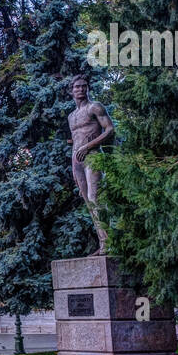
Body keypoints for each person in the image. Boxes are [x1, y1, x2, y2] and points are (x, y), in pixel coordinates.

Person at [67, 75, 115, 255]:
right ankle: (104, 243)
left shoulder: (94, 107)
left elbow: (110, 129)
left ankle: (110, 243)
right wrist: (73, 167)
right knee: (88, 202)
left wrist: (88, 146)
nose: (81, 89)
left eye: (84, 86)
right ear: (71, 90)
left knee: (96, 198)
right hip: (77, 160)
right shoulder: (71, 116)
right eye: (77, 87)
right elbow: (76, 139)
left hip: (93, 156)